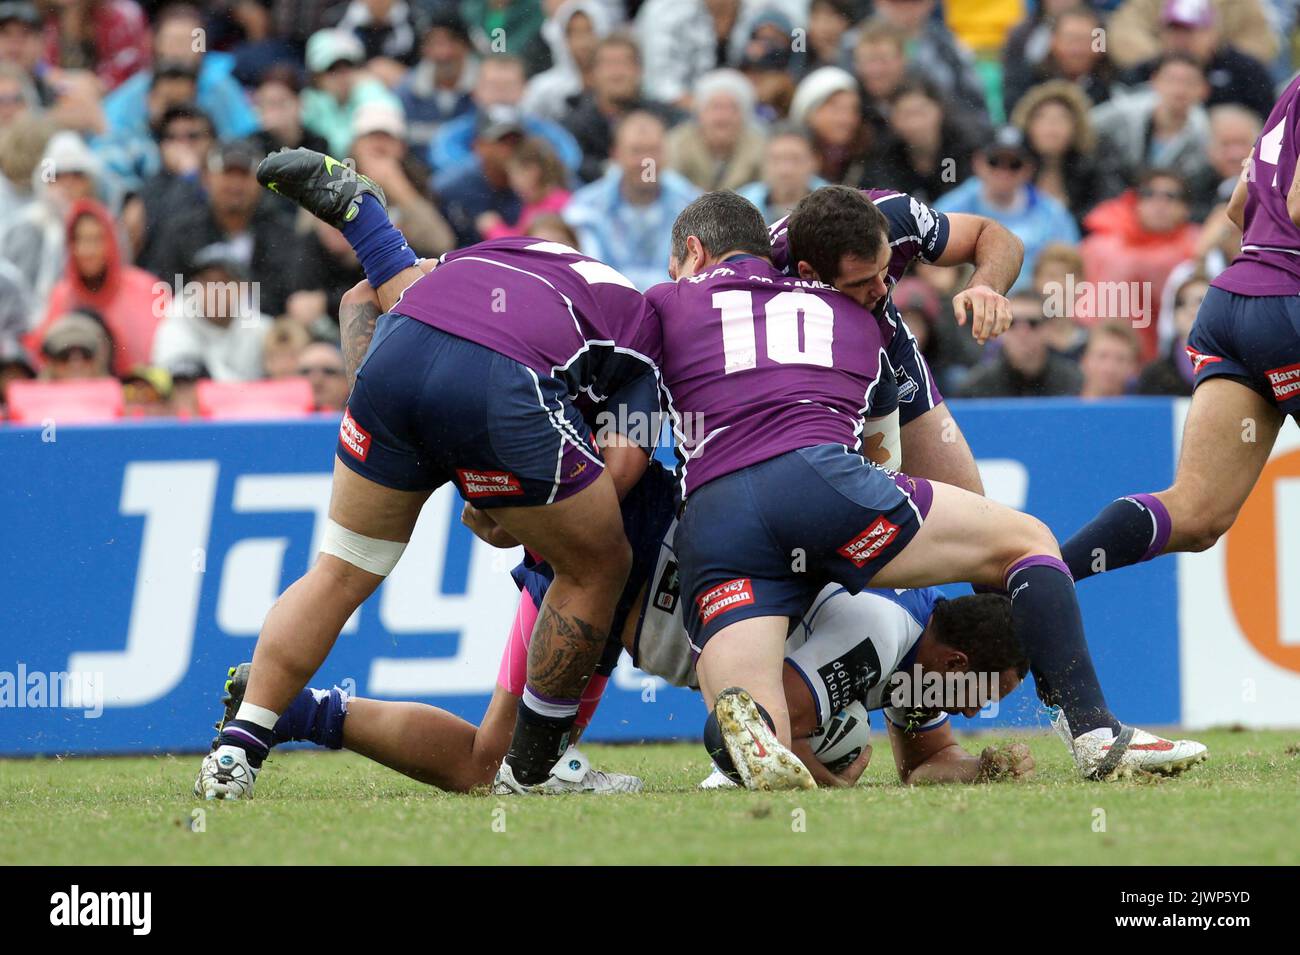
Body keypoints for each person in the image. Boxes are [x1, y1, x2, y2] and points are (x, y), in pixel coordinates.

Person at [651, 188, 1203, 788]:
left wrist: (986, 284)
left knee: (989, 575)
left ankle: (787, 731)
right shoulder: (814, 303)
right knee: (1019, 541)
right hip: (829, 432)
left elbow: (996, 235)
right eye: (864, 282)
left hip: (737, 496)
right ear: (806, 272)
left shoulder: (858, 230)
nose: (885, 291)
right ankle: (1093, 732)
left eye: (889, 270)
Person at [196, 145, 663, 799]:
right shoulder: (645, 325)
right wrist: (510, 509)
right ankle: (535, 771)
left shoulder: (501, 257)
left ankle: (236, 749)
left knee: (340, 567)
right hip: (501, 393)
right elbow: (619, 472)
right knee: (598, 561)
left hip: (395, 366)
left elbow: (369, 295)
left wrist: (391, 425)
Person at [1060, 73, 1300, 584]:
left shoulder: (1292, 88)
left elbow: (1239, 208)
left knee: (1196, 514)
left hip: (1231, 302)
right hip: (1288, 304)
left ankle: (1038, 582)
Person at [562, 109, 699, 291]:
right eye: (636, 151)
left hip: (675, 310)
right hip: (607, 308)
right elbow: (586, 277)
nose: (646, 162)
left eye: (653, 150)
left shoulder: (695, 206)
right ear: (616, 154)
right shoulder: (584, 208)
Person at [935, 125, 1079, 296]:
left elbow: (1071, 268)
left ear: (1029, 168)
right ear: (978, 162)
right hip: (969, 305)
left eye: (1014, 164)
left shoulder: (1054, 215)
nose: (1003, 171)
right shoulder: (951, 208)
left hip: (1036, 311)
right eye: (994, 161)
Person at [30, 198, 164, 377]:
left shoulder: (146, 289)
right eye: (80, 240)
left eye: (97, 239)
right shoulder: (61, 296)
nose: (88, 250)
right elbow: (41, 359)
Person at [1079, 168, 1200, 362]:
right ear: (1135, 203)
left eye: (1170, 196)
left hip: (1173, 361)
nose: (1159, 204)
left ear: (1186, 208)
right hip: (1109, 358)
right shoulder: (1099, 246)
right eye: (1149, 194)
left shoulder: (1198, 247)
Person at [1090, 52, 1212, 196]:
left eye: (1189, 82)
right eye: (1172, 80)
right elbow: (1084, 127)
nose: (1180, 89)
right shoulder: (1122, 114)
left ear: (1204, 90)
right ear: (1154, 81)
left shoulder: (1206, 135)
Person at [150, 247, 270, 382]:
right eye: (207, 282)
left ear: (243, 287)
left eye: (225, 283)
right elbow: (172, 382)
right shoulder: (176, 322)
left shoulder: (260, 329)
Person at [958, 294, 1083, 398]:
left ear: (1049, 329)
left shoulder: (1074, 382)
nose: (1022, 332)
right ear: (1000, 330)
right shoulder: (976, 388)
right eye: (1011, 323)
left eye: (1033, 323)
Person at [666, 68, 765, 193]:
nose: (723, 117)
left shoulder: (759, 147)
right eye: (716, 107)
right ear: (700, 113)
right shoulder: (677, 143)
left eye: (732, 108)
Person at [395, 9, 477, 154]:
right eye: (434, 44)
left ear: (466, 45)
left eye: (451, 42)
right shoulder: (405, 92)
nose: (443, 54)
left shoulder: (487, 88)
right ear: (424, 49)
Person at [735, 126, 827, 222]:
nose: (785, 170)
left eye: (795, 159)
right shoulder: (742, 205)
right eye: (776, 159)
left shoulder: (832, 204)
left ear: (815, 161)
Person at [1079, 320, 1142, 399]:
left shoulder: (1145, 408)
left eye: (1120, 359)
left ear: (1133, 367)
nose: (1109, 368)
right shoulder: (1062, 404)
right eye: (1102, 356)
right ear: (1084, 360)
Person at [297, 340, 349, 411]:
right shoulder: (278, 417)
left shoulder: (361, 420)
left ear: (345, 381)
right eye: (306, 372)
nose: (316, 380)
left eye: (328, 371)